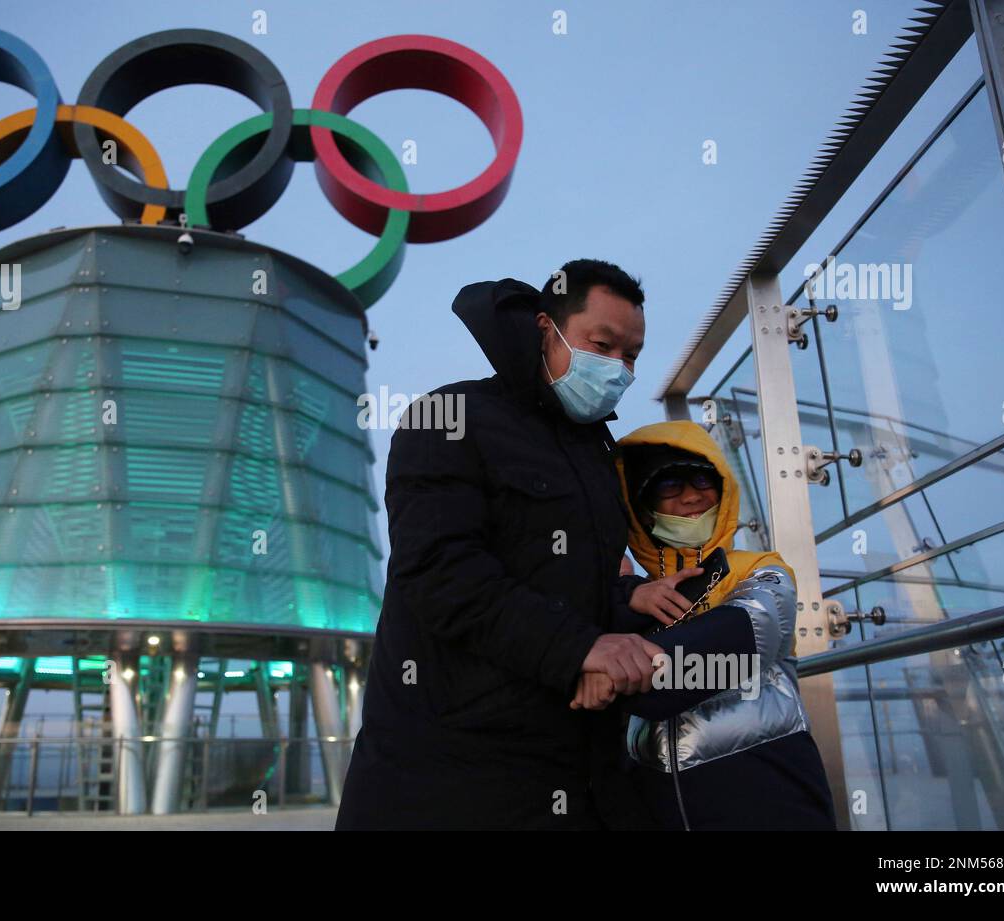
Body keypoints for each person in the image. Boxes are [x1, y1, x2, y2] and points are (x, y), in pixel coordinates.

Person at [335, 259, 662, 830]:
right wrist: (578, 651)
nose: (616, 367)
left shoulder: (598, 457)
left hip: (572, 770)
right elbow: (439, 572)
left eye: (630, 355)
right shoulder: (449, 418)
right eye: (601, 344)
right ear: (546, 329)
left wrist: (629, 600)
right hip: (446, 776)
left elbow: (571, 586)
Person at [573, 420, 837, 830]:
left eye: (702, 479)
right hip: (655, 807)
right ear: (641, 507)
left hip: (771, 797)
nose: (692, 496)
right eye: (668, 486)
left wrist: (606, 672)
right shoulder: (634, 598)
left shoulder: (761, 569)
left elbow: (733, 644)